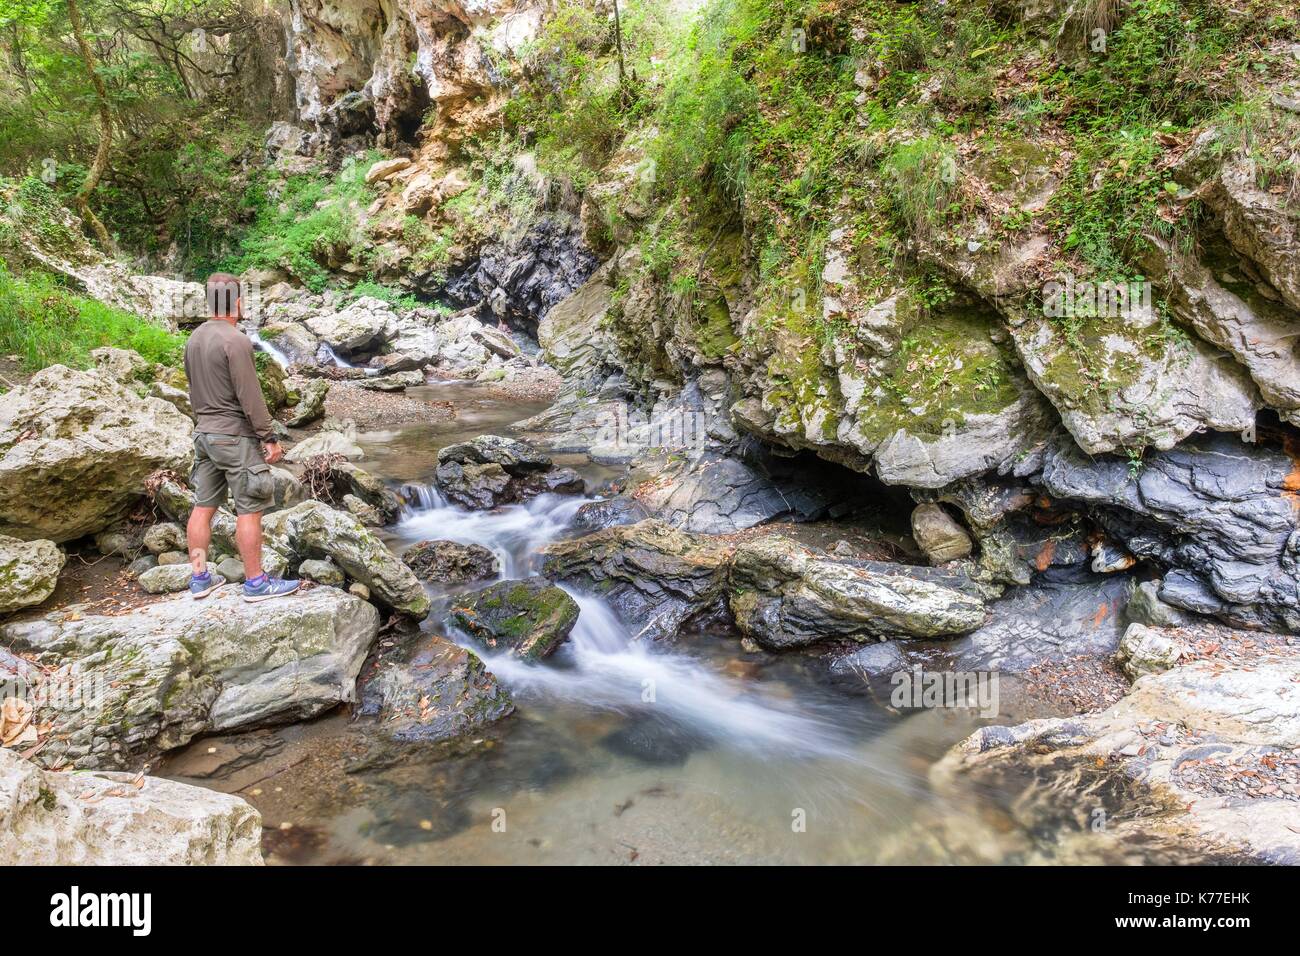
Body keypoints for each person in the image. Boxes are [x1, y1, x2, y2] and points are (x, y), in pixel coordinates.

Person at [183, 273, 300, 602]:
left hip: (204, 434)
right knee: (250, 510)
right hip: (234, 438)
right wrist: (269, 437)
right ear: (235, 303)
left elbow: (193, 388)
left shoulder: (194, 339)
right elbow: (251, 396)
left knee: (202, 507)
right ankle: (256, 583)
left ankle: (200, 578)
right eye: (243, 299)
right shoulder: (236, 341)